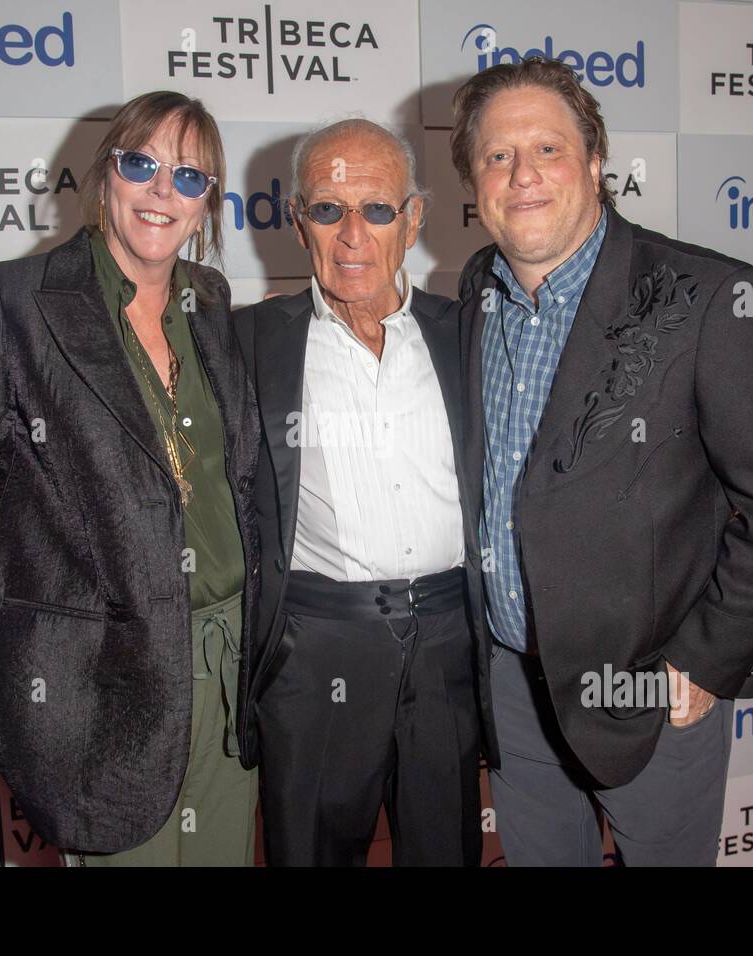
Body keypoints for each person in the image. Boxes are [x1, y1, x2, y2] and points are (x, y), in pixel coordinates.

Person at [449, 58, 753, 866]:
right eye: (497, 156)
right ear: (473, 181)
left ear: (595, 163)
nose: (522, 175)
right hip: (515, 689)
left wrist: (707, 658)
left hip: (650, 691)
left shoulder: (711, 297)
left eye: (547, 150)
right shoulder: (478, 288)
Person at [0, 90, 261, 867]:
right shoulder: (17, 302)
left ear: (207, 205)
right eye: (143, 164)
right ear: (105, 178)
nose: (163, 191)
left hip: (229, 674)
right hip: (101, 687)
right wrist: (2, 663)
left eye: (190, 176)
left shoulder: (211, 304)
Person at [232, 118, 496, 866]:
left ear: (413, 218)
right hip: (314, 649)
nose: (352, 234)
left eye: (377, 209)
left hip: (449, 641)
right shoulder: (248, 342)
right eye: (327, 209)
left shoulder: (469, 333)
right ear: (296, 221)